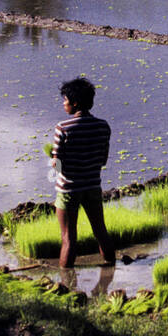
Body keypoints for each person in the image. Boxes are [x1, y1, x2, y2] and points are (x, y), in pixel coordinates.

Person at [52, 77, 115, 269]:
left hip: (69, 190)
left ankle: (66, 280)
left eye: (65, 100)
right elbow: (102, 160)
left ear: (75, 102)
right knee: (100, 231)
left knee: (68, 238)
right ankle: (111, 267)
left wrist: (53, 158)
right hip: (93, 186)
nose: (64, 104)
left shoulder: (62, 128)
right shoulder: (103, 126)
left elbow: (57, 166)